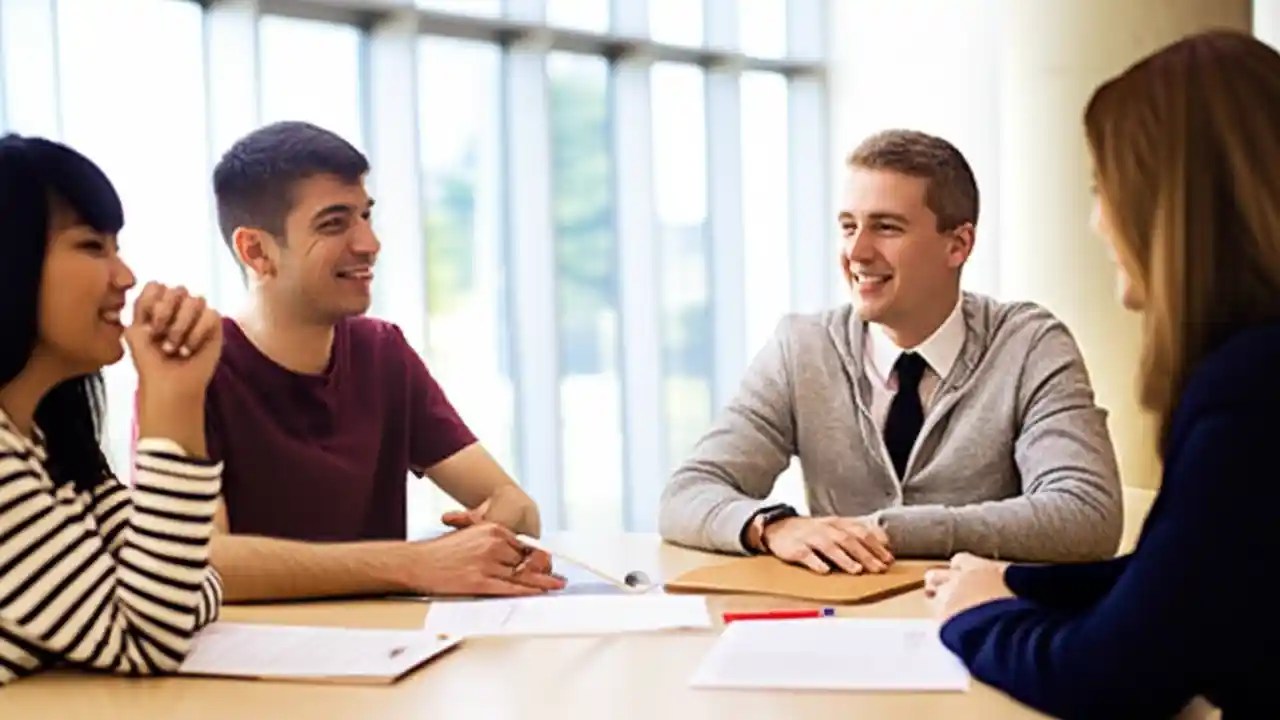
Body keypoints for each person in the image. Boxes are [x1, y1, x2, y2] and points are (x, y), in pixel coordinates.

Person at [928, 29, 1278, 717]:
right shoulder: (802, 344)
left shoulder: (1250, 392)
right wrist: (1018, 581)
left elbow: (1114, 673)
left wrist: (972, 616)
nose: (1095, 221)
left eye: (1102, 188)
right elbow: (1184, 575)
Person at [659, 129, 1123, 574]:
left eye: (886, 227)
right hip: (843, 632)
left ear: (957, 245)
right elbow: (687, 493)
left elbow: (1085, 514)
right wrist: (773, 525)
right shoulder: (802, 348)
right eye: (848, 227)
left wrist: (886, 531)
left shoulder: (1029, 346)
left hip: (982, 633)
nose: (857, 252)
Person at [203, 121, 563, 601]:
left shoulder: (382, 353)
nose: (369, 244)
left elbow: (518, 506)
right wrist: (415, 564)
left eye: (365, 217)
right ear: (256, 251)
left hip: (389, 653)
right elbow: (200, 564)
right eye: (334, 223)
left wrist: (495, 531)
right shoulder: (194, 369)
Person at [0, 134, 224, 684]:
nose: (125, 277)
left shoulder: (46, 443)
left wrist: (176, 391)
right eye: (91, 246)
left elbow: (194, 589)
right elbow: (148, 640)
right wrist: (173, 396)